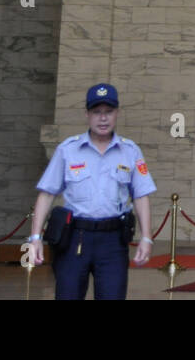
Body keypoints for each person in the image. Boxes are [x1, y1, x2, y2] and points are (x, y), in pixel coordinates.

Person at [25, 83, 155, 300]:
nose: (102, 118)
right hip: (75, 238)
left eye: (108, 112)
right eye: (96, 112)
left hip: (113, 241)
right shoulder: (68, 150)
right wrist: (35, 237)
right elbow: (47, 194)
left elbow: (141, 195)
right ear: (87, 114)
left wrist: (147, 238)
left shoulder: (130, 151)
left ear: (117, 114)